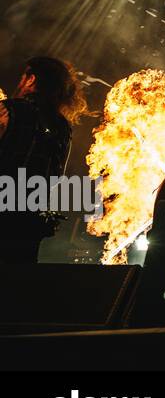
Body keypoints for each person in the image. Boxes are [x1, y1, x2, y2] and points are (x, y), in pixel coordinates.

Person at [0, 57, 88, 263]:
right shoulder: (63, 127)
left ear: (31, 79)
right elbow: (56, 177)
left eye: (24, 77)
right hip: (28, 223)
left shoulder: (8, 110)